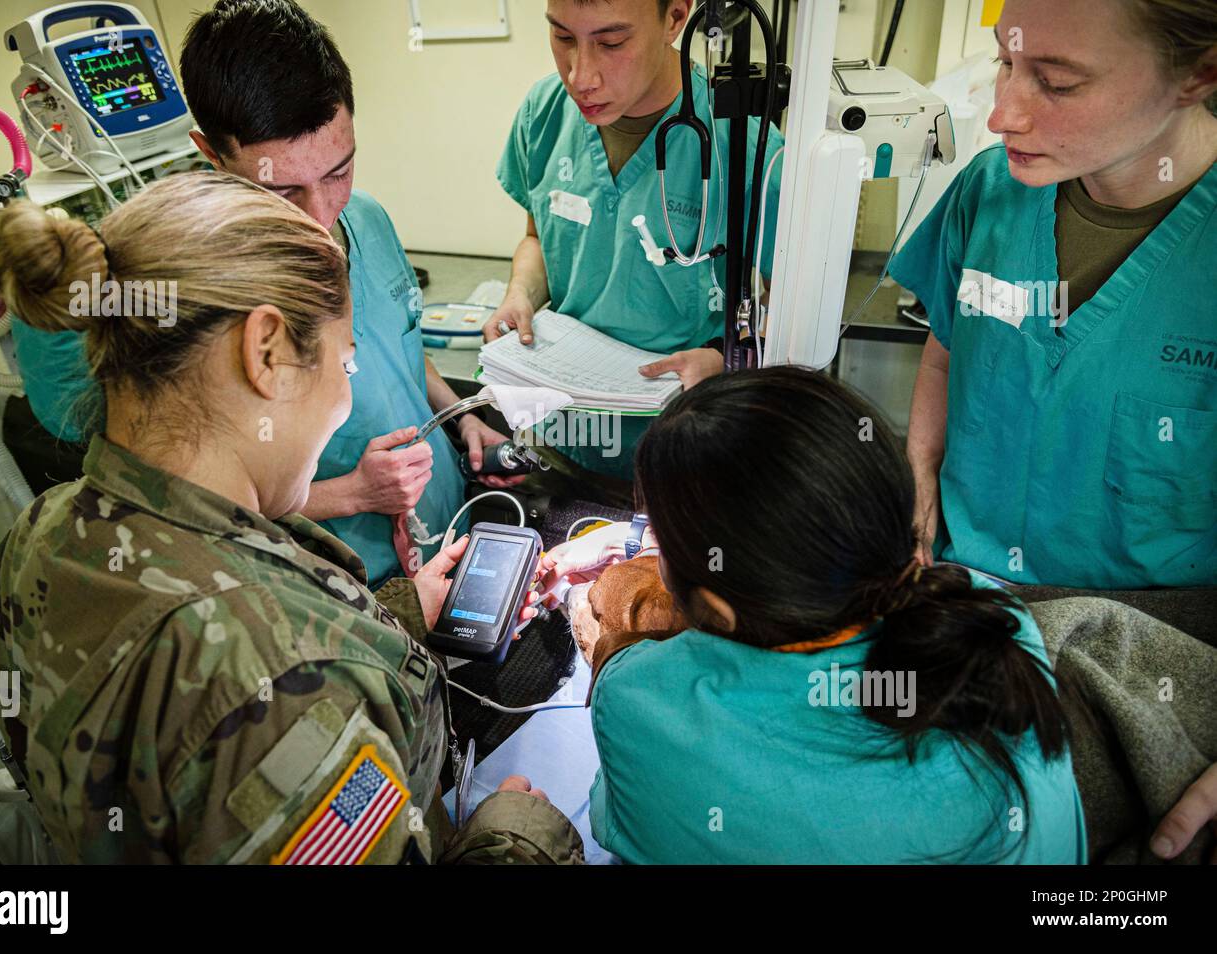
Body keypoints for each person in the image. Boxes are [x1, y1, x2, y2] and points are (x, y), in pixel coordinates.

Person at [0, 172, 582, 864]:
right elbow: (252, 690)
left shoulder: (39, 535)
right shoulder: (289, 688)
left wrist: (392, 621)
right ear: (266, 353)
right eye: (345, 366)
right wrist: (519, 833)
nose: (347, 400)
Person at [10, 0, 518, 589]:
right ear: (211, 155)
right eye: (283, 191)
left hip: (445, 532)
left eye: (338, 172)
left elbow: (398, 342)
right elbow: (181, 506)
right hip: (335, 586)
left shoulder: (369, 219)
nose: (321, 217)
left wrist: (458, 417)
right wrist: (350, 493)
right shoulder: (202, 289)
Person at [572, 367, 1087, 863]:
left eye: (661, 542)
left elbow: (619, 819)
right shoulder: (992, 616)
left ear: (720, 611)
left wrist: (613, 641)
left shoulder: (640, 701)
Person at [891, 0, 1217, 589]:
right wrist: (918, 477)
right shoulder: (989, 193)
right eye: (1004, 61)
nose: (1001, 115)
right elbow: (944, 356)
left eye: (1058, 83)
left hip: (1145, 645)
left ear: (1198, 75)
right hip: (964, 595)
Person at [485, 0, 785, 501]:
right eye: (562, 38)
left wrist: (726, 362)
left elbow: (786, 315)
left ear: (675, 18)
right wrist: (520, 294)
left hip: (686, 458)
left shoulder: (748, 149)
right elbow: (538, 237)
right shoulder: (544, 114)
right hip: (559, 438)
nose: (580, 76)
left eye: (611, 42)